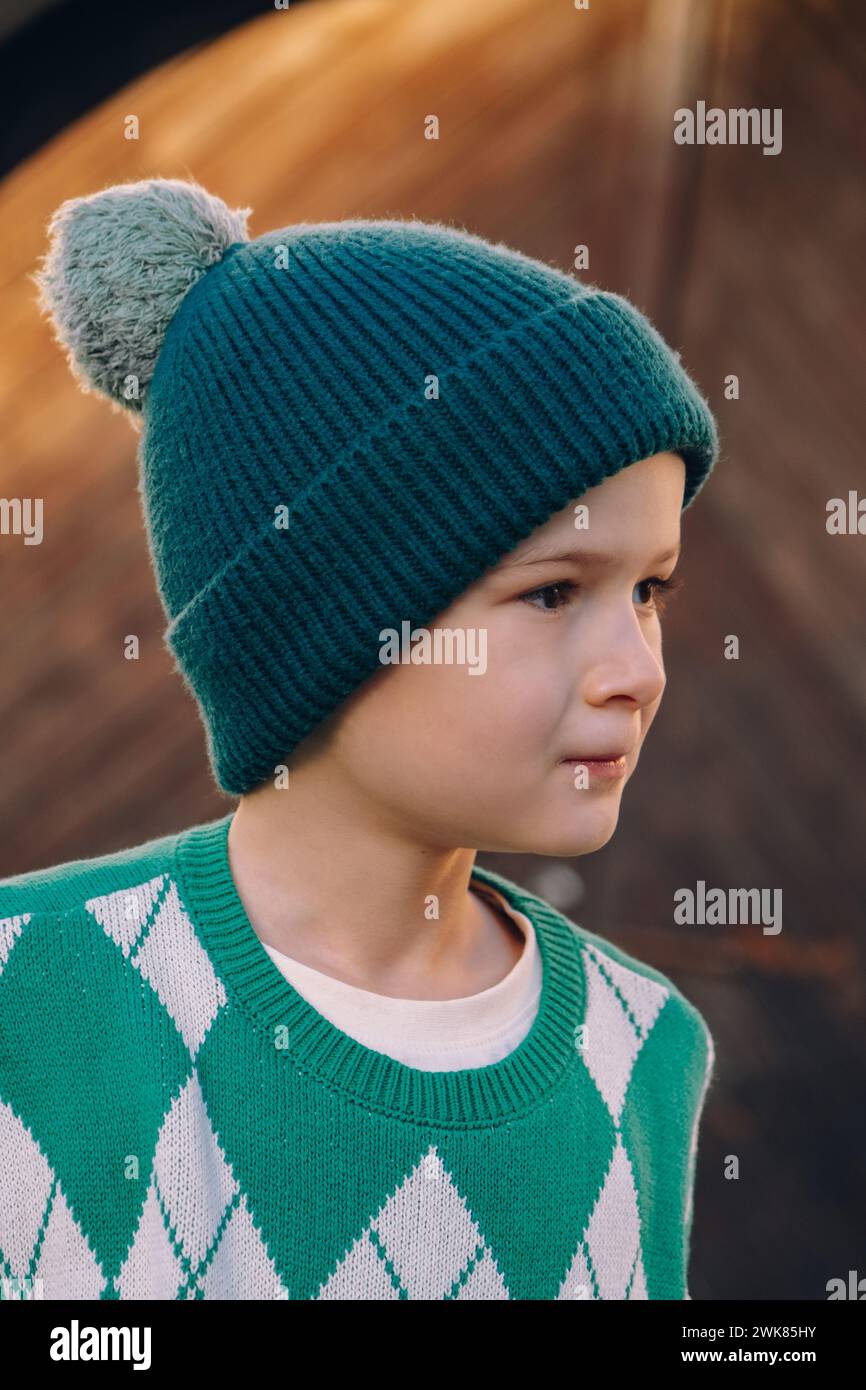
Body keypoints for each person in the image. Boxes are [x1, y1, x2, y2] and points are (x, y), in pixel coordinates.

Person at [0, 178, 718, 1301]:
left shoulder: (643, 1050)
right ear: (318, 626)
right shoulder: (30, 997)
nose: (635, 671)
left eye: (649, 590)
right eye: (549, 594)